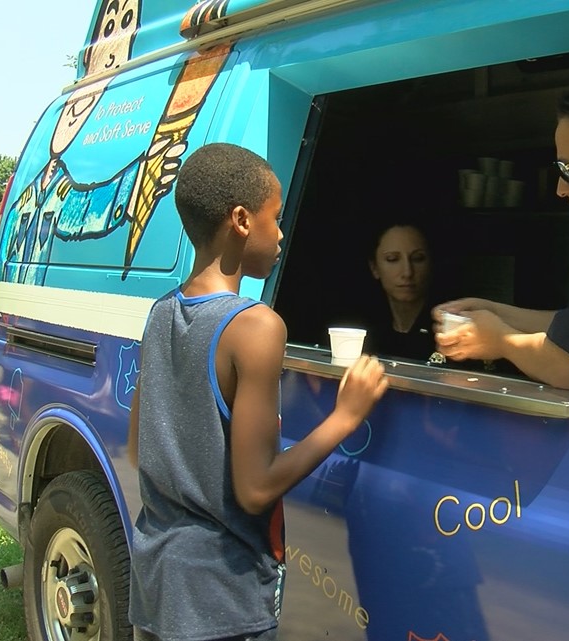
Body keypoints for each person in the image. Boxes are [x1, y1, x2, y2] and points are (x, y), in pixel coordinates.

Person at [127, 142, 389, 641]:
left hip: (158, 587)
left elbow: (140, 447)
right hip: (222, 600)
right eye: (277, 216)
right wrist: (346, 416)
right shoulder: (256, 327)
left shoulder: (160, 313)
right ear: (242, 220)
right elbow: (255, 490)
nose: (282, 233)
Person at [433, 74, 569, 390]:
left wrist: (499, 339)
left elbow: (568, 365)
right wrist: (492, 310)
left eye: (567, 170)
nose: (561, 189)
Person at [361, 220, 439, 361]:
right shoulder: (366, 333)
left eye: (418, 258)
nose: (407, 272)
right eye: (392, 259)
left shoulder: (449, 332)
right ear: (374, 268)